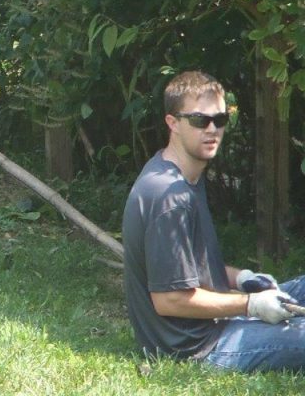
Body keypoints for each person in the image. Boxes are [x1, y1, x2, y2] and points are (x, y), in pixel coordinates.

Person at [123, 69, 305, 372]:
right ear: (173, 123)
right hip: (197, 346)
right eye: (200, 120)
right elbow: (170, 299)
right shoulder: (170, 197)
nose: (212, 129)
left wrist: (242, 278)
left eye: (220, 120)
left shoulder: (186, 175)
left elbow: (187, 267)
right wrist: (250, 305)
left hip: (219, 320)